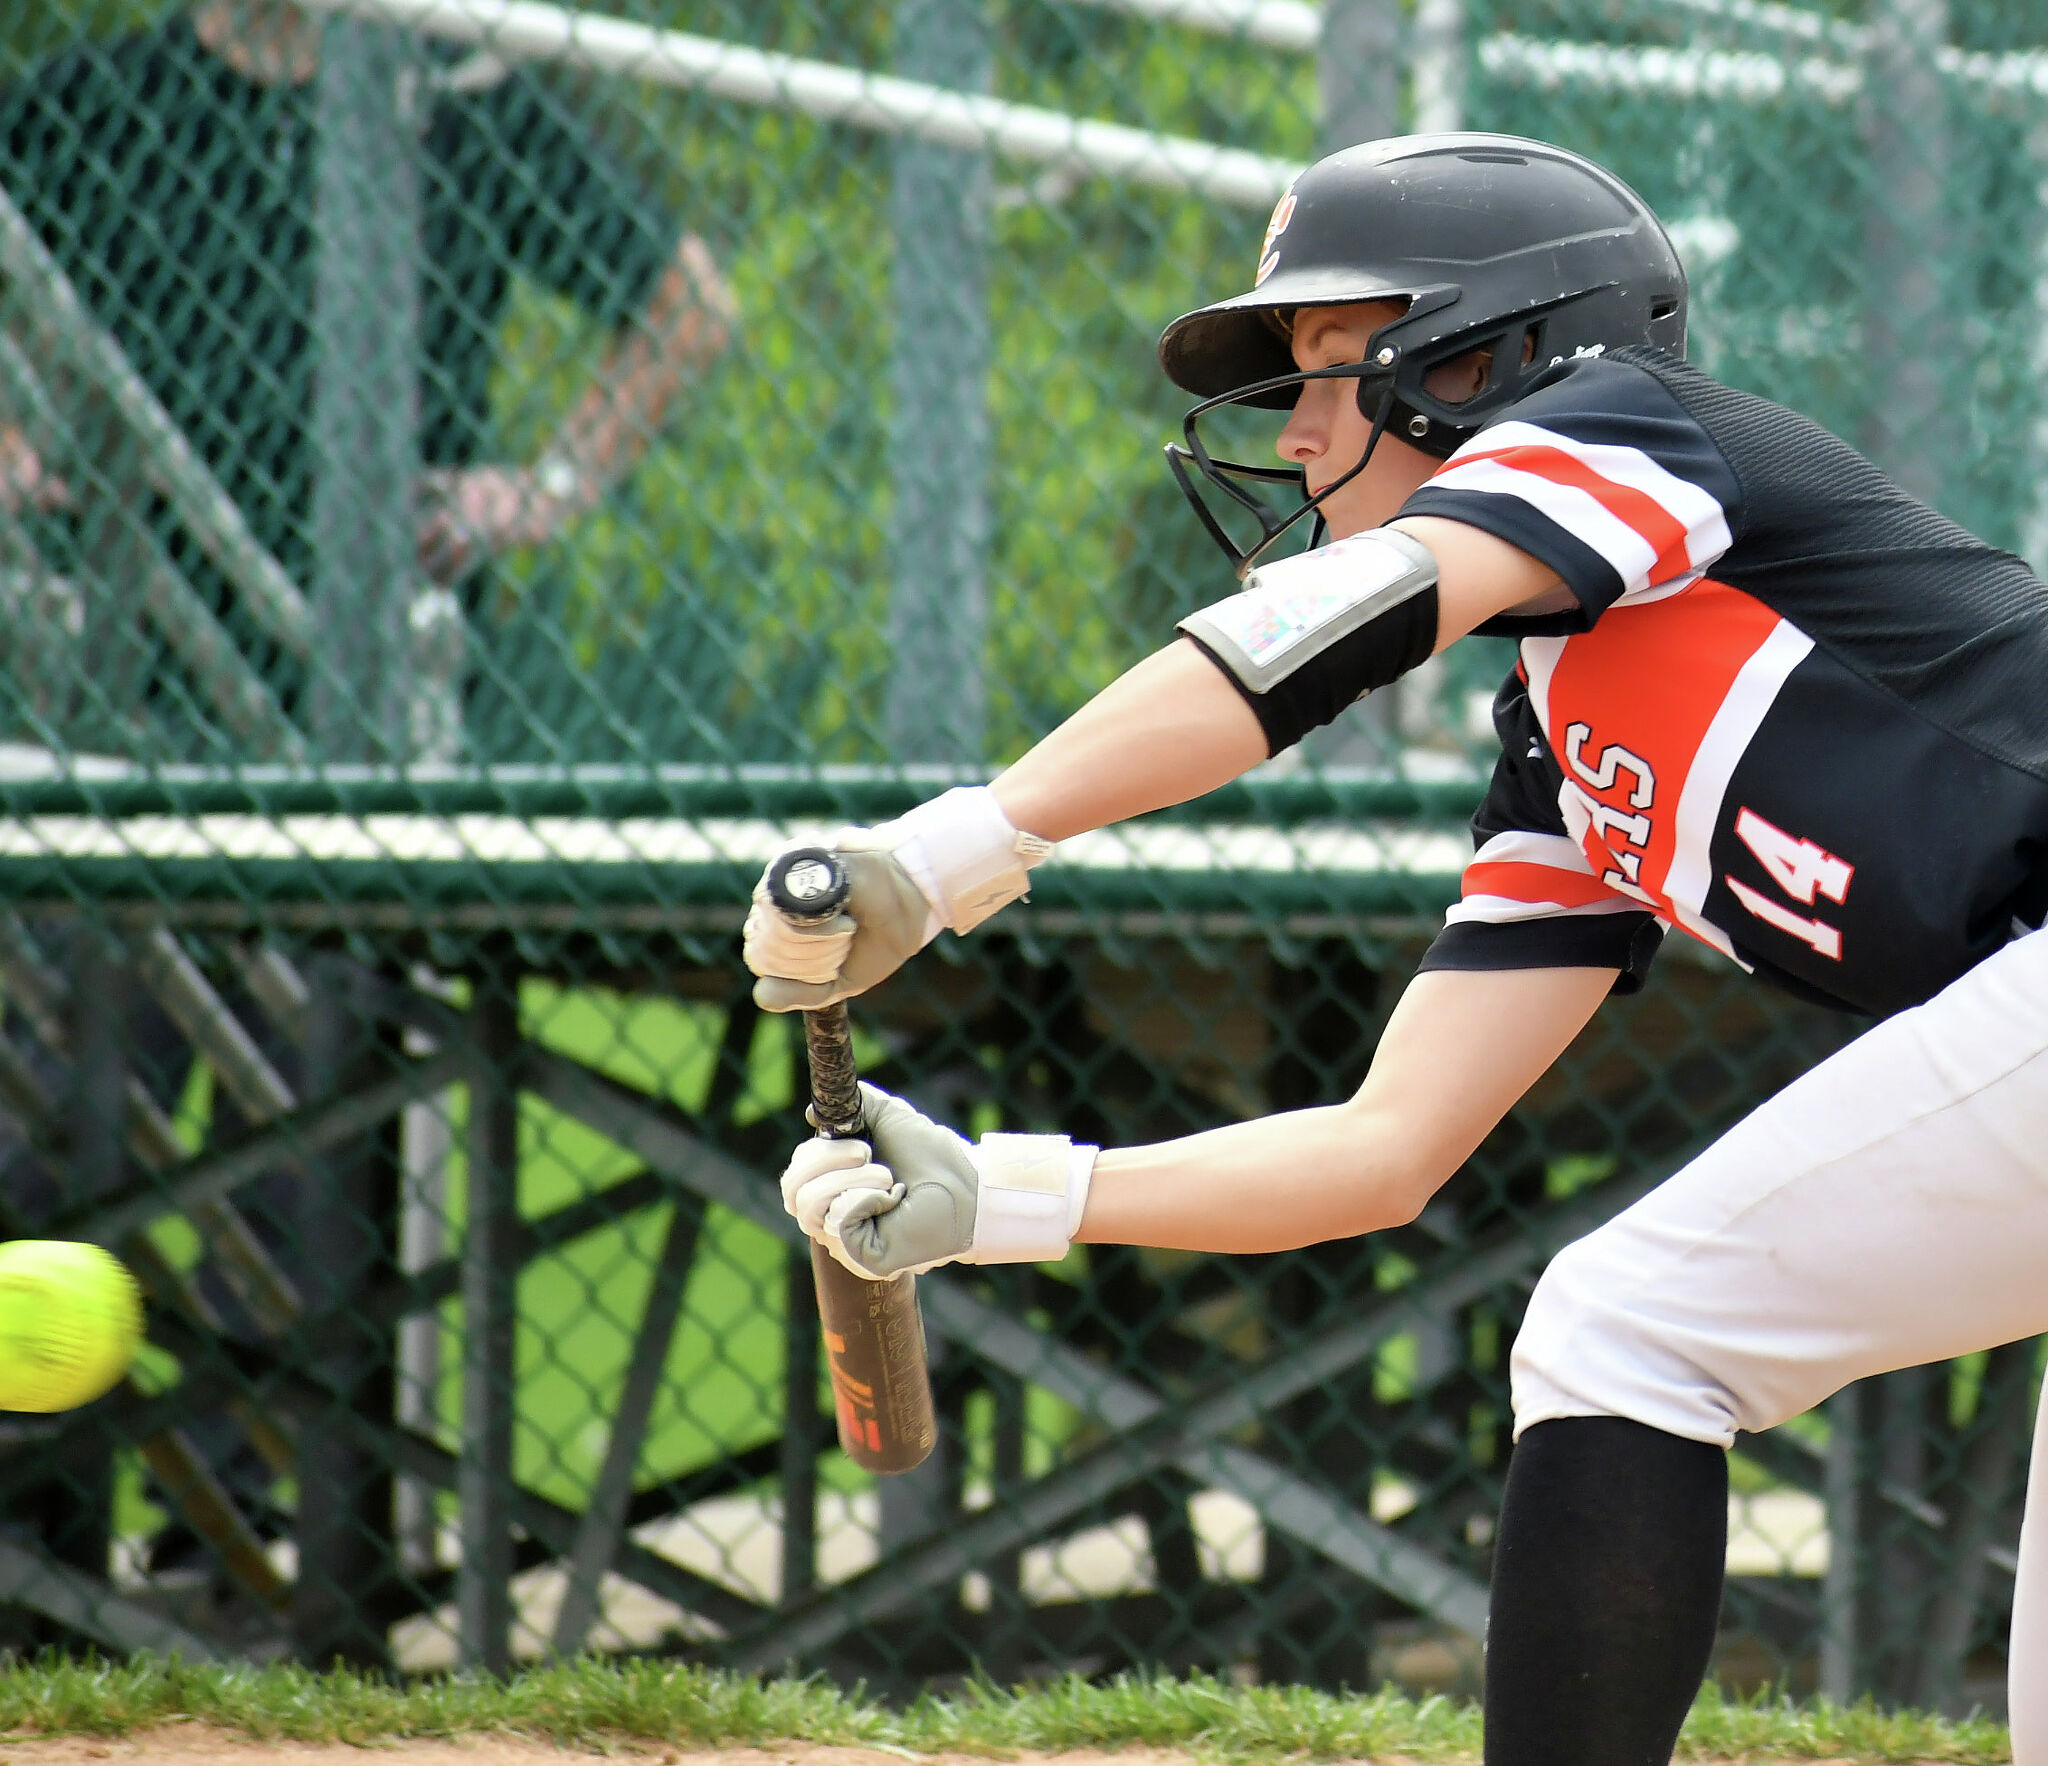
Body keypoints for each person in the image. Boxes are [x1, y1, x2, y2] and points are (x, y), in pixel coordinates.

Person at [745, 133, 2048, 1759]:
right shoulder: (1568, 739)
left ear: (1491, 358)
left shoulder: (1642, 433)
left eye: (1328, 366)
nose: (1290, 432)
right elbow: (1382, 1151)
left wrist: (951, 848)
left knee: (1625, 1331)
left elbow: (1330, 633)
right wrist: (1000, 1197)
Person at [0, 0, 733, 740]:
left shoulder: (460, 98)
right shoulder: (98, 104)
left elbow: (687, 307)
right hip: (140, 661)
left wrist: (547, 489)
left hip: (388, 674)